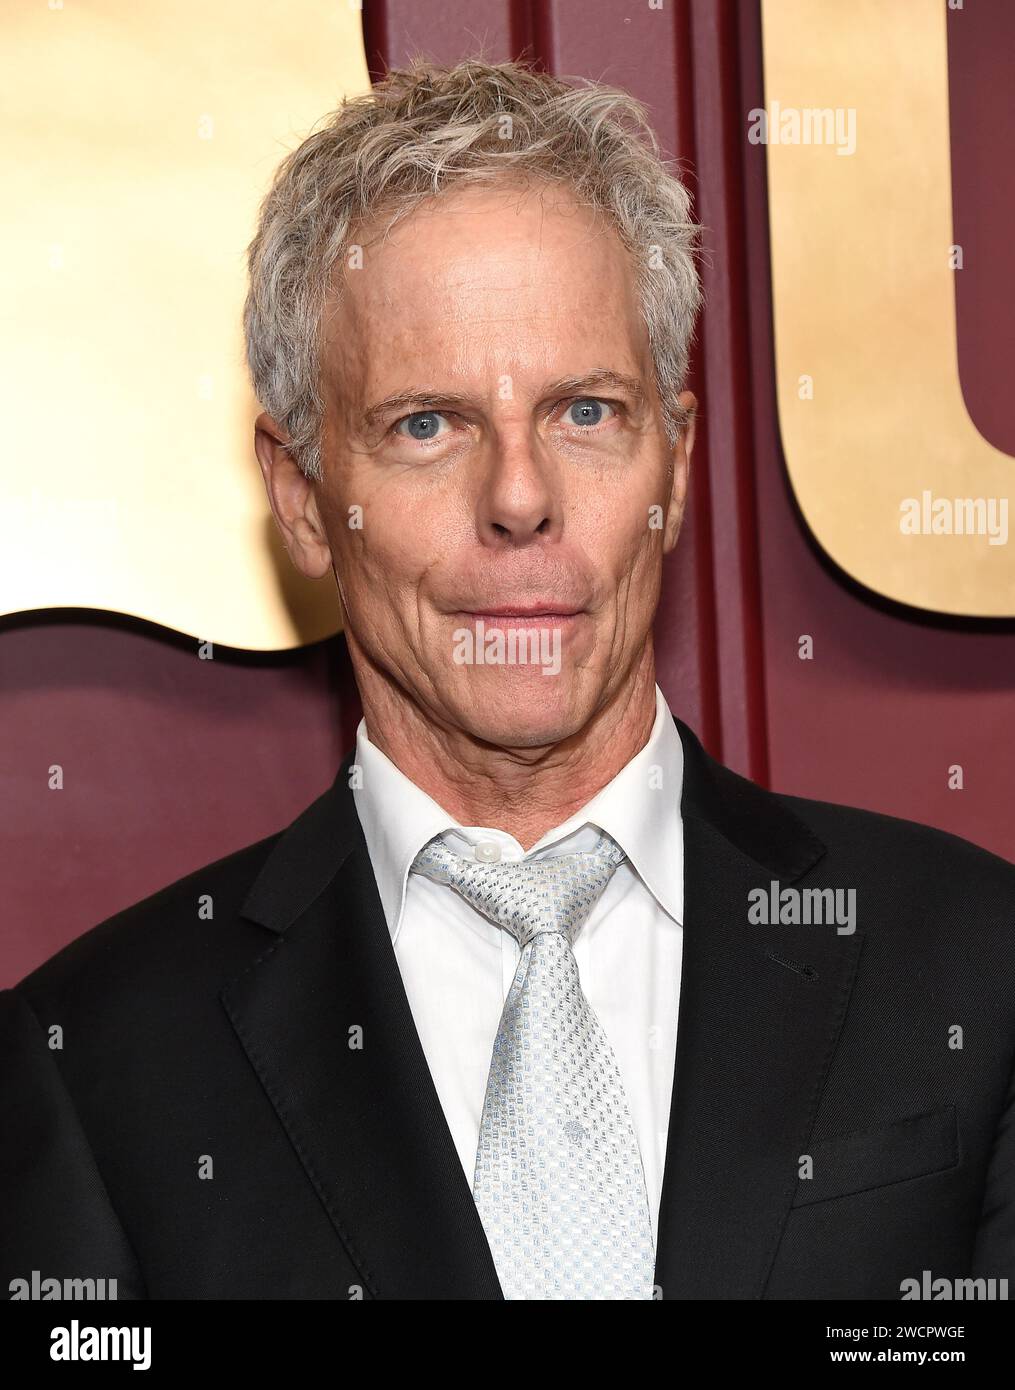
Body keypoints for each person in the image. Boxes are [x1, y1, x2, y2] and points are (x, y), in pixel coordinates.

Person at [2, 57, 1013, 1302]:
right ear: (307, 502)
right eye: (426, 424)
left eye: (585, 413)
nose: (520, 499)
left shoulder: (974, 961)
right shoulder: (96, 1067)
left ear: (676, 464)